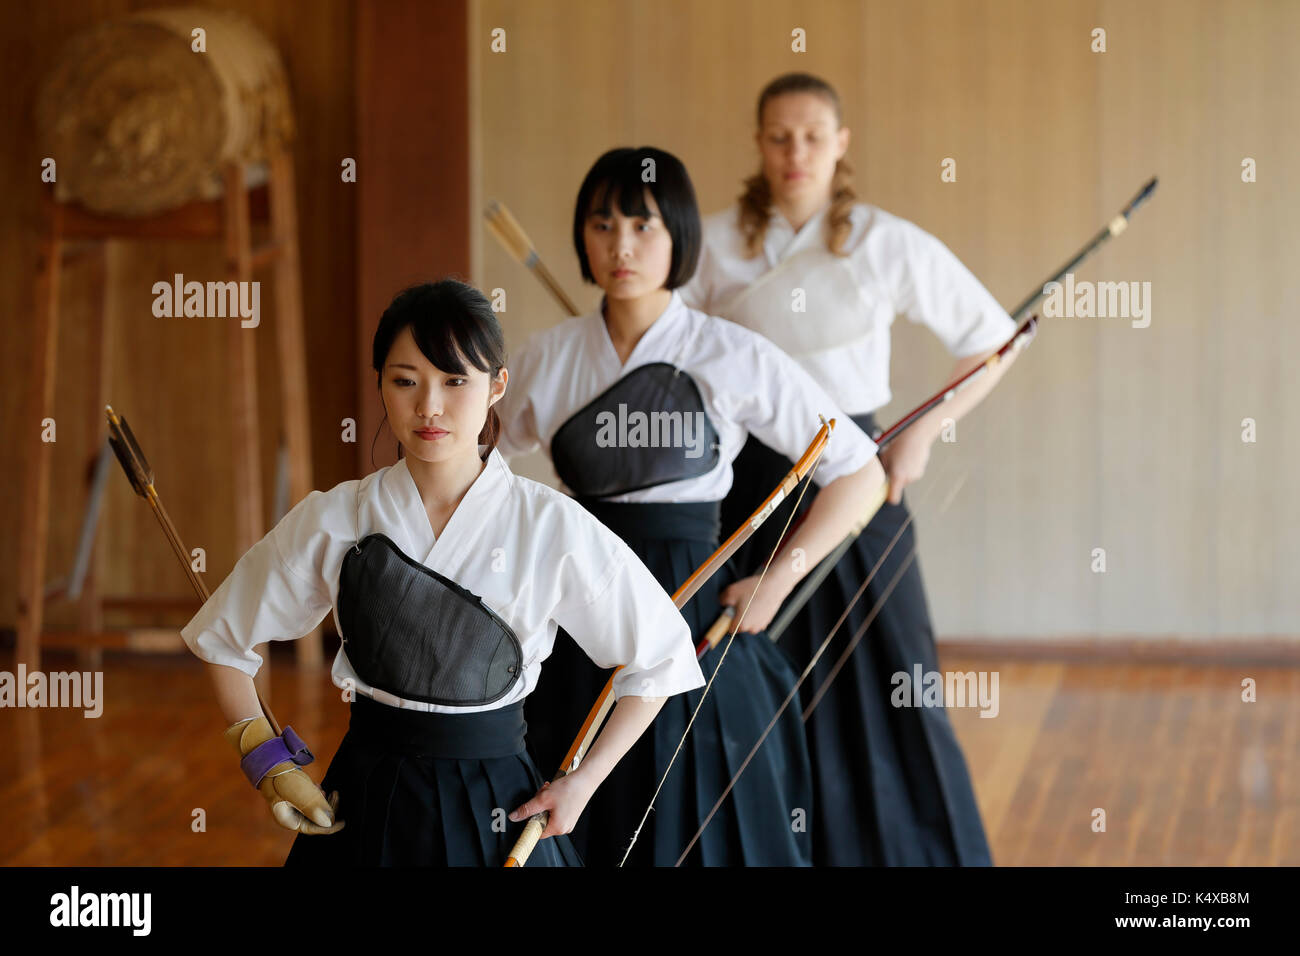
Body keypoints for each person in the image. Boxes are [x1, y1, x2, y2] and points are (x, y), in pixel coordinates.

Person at [180, 279, 705, 866]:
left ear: (496, 385)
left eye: (455, 381)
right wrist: (266, 759)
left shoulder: (549, 523)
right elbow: (221, 638)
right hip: (367, 798)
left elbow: (662, 656)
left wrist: (583, 782)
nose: (429, 406)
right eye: (405, 381)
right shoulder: (336, 517)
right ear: (379, 383)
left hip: (497, 805)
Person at [497, 146, 887, 866]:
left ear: (679, 237)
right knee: (575, 813)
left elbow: (861, 475)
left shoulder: (728, 353)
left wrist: (781, 574)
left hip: (694, 601)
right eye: (603, 224)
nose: (622, 246)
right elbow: (477, 471)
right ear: (582, 237)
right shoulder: (548, 359)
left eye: (644, 226)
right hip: (580, 604)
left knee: (701, 818)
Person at [681, 71, 1016, 866]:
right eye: (778, 136)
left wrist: (924, 431)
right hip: (750, 488)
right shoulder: (716, 241)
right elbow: (672, 345)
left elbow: (995, 338)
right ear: (759, 143)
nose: (795, 151)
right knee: (754, 681)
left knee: (896, 684)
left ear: (840, 145)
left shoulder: (881, 239)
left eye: (811, 136)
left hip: (859, 476)